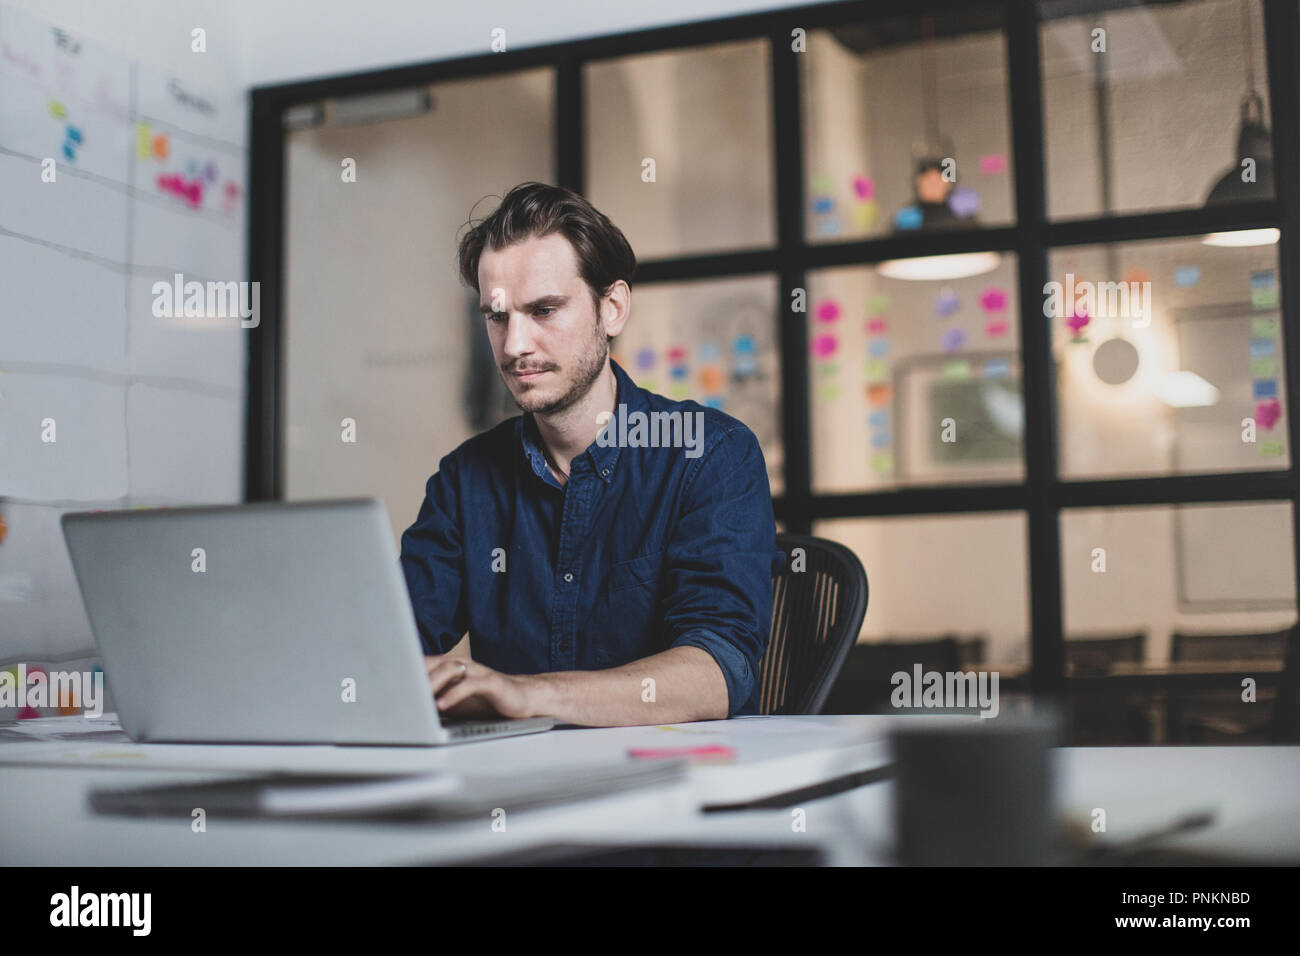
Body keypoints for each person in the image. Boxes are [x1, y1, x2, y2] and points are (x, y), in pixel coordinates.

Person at [401, 181, 784, 727]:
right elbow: (392, 650)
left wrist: (529, 696)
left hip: (680, 788)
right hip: (520, 795)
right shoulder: (465, 482)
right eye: (497, 316)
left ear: (612, 308)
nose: (514, 346)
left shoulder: (711, 455)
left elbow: (718, 670)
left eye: (545, 310)